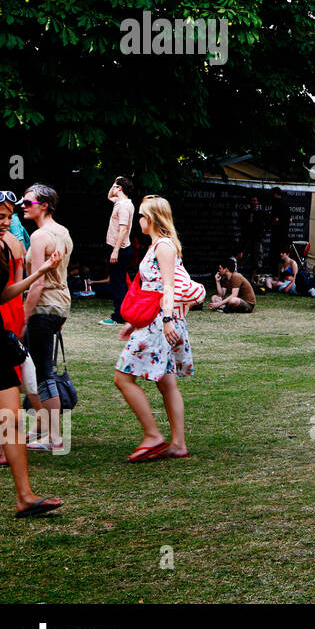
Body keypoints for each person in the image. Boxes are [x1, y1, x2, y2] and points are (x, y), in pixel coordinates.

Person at [0, 187, 66, 515]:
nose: (7, 222)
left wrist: (39, 274)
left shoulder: (0, 248)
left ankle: (24, 497)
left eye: (9, 216)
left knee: (11, 421)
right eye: (0, 217)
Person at [113, 195, 203, 462]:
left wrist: (165, 321)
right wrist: (134, 322)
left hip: (159, 323)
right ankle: (178, 444)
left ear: (150, 218)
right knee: (167, 383)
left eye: (141, 215)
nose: (138, 220)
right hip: (158, 319)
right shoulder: (160, 246)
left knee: (122, 377)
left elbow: (167, 286)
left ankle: (153, 435)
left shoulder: (163, 246)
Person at [19, 184, 73, 453]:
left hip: (44, 306)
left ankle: (54, 437)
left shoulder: (41, 236)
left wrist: (22, 318)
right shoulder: (62, 232)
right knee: (41, 370)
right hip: (59, 305)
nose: (23, 207)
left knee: (43, 373)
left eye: (28, 203)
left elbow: (37, 284)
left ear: (44, 205)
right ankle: (42, 426)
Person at [100, 176, 136, 326]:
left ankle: (119, 316)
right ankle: (121, 314)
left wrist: (115, 251)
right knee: (118, 282)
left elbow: (123, 230)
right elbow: (109, 196)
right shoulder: (120, 202)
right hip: (118, 248)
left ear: (119, 188)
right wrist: (116, 181)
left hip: (119, 249)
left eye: (115, 186)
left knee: (118, 283)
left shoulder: (123, 206)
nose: (112, 188)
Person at [268, 188, 290, 271]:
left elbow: (275, 219)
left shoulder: (276, 203)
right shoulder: (286, 204)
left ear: (275, 194)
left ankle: (275, 273)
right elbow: (290, 219)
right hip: (284, 234)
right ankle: (282, 272)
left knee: (275, 255)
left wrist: (270, 225)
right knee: (282, 255)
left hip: (277, 234)